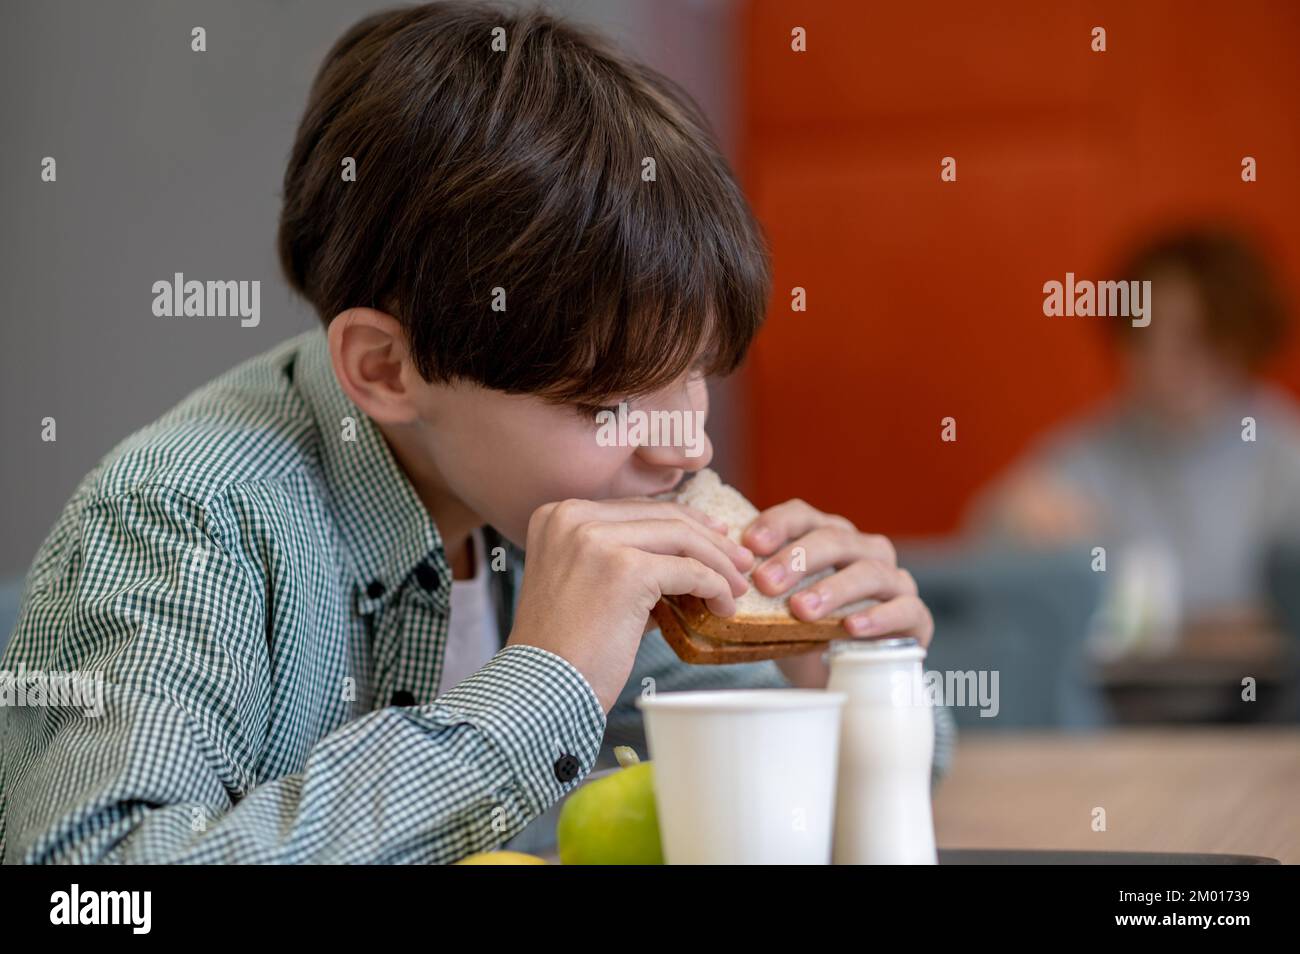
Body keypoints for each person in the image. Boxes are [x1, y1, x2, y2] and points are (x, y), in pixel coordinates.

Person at [0, 2, 948, 864]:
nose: (686, 447)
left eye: (694, 370)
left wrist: (839, 676)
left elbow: (772, 803)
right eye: (605, 405)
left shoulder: (547, 502)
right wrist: (543, 685)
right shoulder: (184, 522)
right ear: (386, 368)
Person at [968, 228, 1300, 621]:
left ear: (1241, 340)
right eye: (1143, 335)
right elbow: (980, 560)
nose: (1161, 362)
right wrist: (1013, 524)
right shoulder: (1092, 450)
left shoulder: (1283, 451)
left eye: (1191, 339)